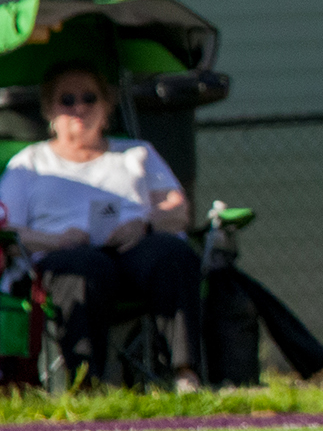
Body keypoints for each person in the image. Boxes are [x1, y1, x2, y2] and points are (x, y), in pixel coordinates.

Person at [0, 63, 200, 392]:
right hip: (65, 258)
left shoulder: (137, 153)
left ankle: (184, 373)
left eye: (89, 98)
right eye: (67, 100)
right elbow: (8, 231)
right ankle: (85, 385)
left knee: (173, 255)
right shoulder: (30, 164)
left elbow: (177, 209)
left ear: (107, 106)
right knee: (84, 268)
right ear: (49, 110)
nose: (79, 107)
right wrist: (55, 240)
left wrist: (144, 224)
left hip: (133, 252)